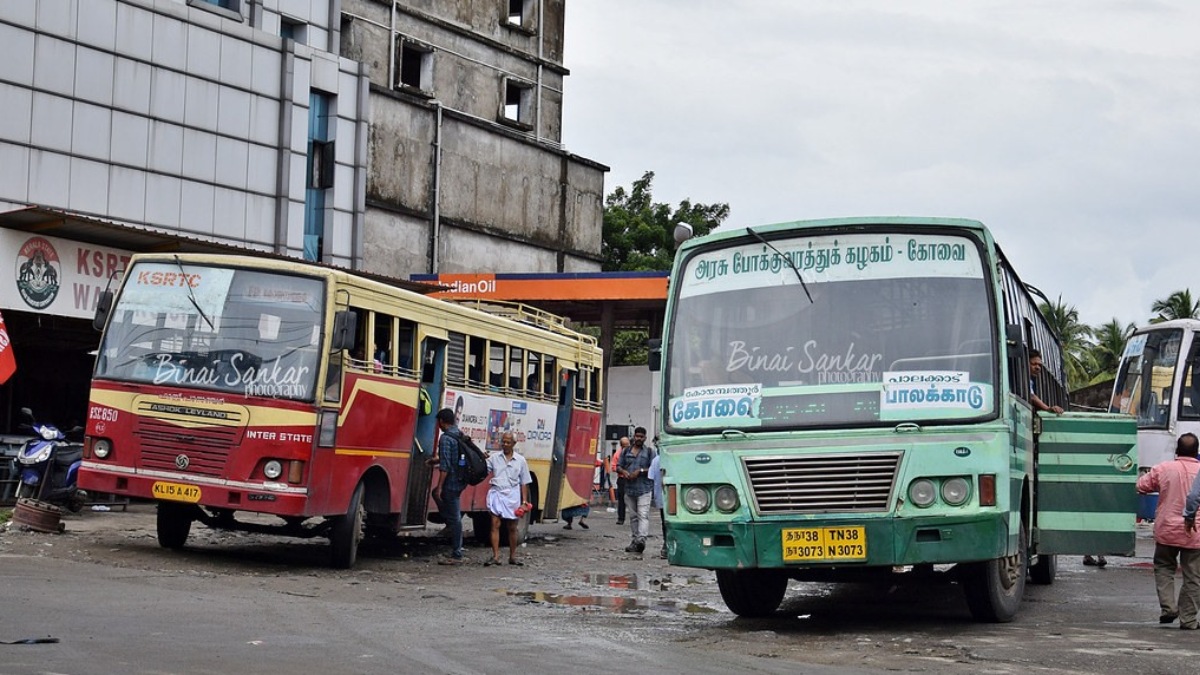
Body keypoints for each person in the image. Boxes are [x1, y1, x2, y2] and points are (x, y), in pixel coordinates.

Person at [1140, 432, 1200, 626]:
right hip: (1195, 532)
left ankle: (1168, 607)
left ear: (1177, 450)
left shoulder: (1163, 468)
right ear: (1197, 452)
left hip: (1166, 530)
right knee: (1193, 576)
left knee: (1164, 567)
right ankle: (1188, 619)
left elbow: (1141, 486)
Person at [484, 431, 531, 566]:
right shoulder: (494, 458)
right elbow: (484, 469)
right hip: (497, 493)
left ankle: (512, 556)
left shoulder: (521, 461)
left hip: (512, 496)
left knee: (512, 527)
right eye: (503, 441)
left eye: (508, 442)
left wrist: (524, 502)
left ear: (514, 444)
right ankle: (496, 556)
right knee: (495, 524)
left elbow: (524, 482)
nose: (505, 444)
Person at [430, 408, 468, 565]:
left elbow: (445, 467)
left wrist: (440, 486)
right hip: (460, 480)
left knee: (455, 516)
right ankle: (451, 525)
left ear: (441, 422)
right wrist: (435, 461)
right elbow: (454, 458)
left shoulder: (445, 438)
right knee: (454, 515)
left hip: (451, 482)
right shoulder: (459, 434)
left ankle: (457, 553)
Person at [617, 427, 655, 554]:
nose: (638, 438)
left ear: (645, 438)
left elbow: (654, 469)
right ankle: (634, 541)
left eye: (641, 437)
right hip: (629, 489)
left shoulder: (649, 452)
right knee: (633, 517)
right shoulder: (626, 450)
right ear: (634, 436)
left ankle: (641, 540)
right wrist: (624, 472)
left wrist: (640, 471)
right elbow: (618, 466)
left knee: (643, 515)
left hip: (644, 488)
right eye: (637, 436)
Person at [1029, 349, 1064, 414]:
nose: (1037, 368)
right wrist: (1048, 409)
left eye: (1039, 365)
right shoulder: (1023, 379)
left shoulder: (1030, 381)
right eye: (1034, 364)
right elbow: (1031, 396)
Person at [649, 450, 666, 558]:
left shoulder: (655, 460)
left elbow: (650, 477)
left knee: (665, 523)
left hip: (661, 498)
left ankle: (666, 546)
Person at [613, 435, 630, 524]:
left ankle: (635, 518)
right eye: (625, 445)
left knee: (634, 499)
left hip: (632, 479)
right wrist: (622, 471)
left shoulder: (633, 452)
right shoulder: (617, 454)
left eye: (628, 445)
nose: (627, 447)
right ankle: (621, 518)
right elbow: (614, 467)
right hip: (622, 479)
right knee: (622, 500)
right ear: (621, 446)